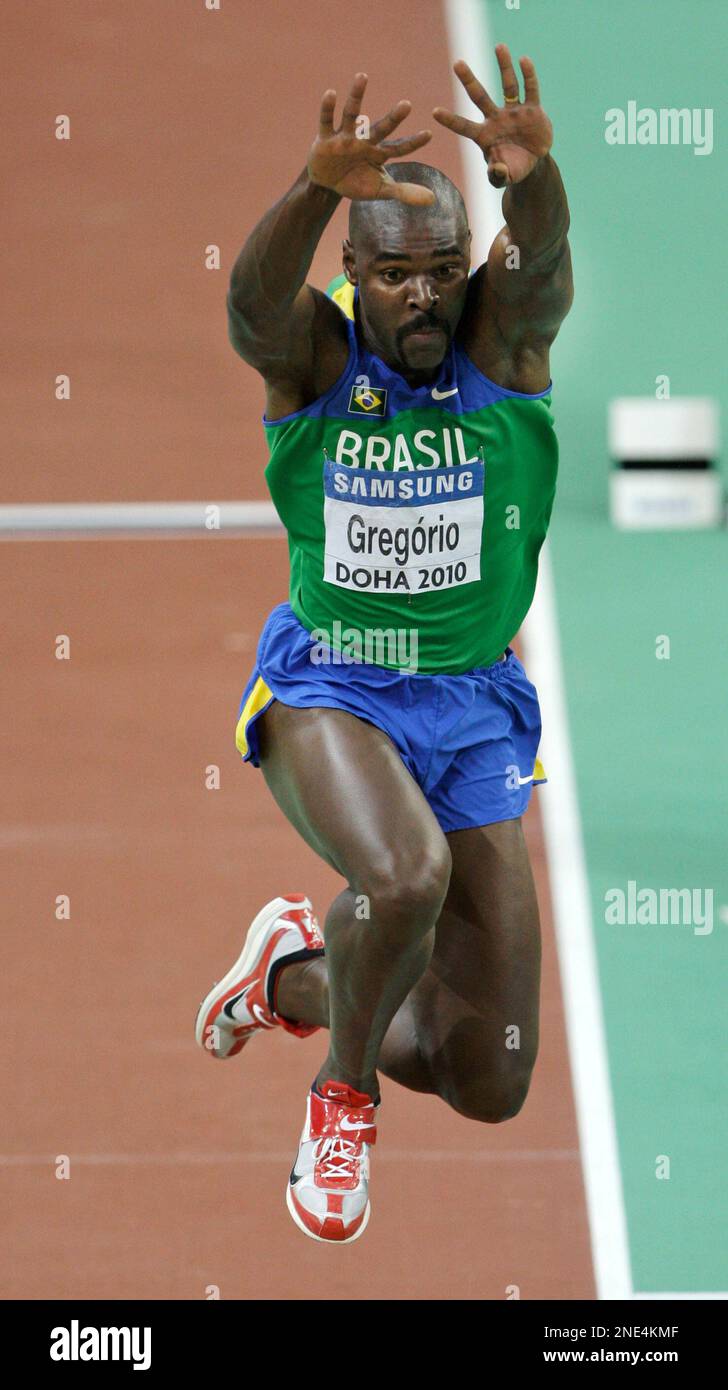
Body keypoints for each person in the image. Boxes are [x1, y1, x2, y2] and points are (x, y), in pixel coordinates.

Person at [196, 44, 573, 1245]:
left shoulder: (499, 348)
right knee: (405, 879)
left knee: (489, 1074)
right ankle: (340, 1097)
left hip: (471, 707)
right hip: (333, 683)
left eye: (439, 272)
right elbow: (252, 307)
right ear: (354, 277)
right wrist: (311, 190)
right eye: (394, 274)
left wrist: (533, 185)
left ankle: (293, 975)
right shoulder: (317, 356)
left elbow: (546, 266)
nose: (421, 296)